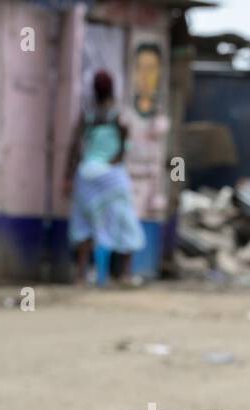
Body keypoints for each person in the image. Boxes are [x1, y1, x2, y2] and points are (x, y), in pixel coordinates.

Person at [64, 71, 146, 285]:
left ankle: (81, 276)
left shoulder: (88, 115)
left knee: (83, 222)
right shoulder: (117, 115)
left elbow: (74, 148)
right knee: (124, 219)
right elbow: (125, 145)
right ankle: (125, 274)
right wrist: (115, 160)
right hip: (111, 174)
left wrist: (68, 177)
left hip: (86, 173)